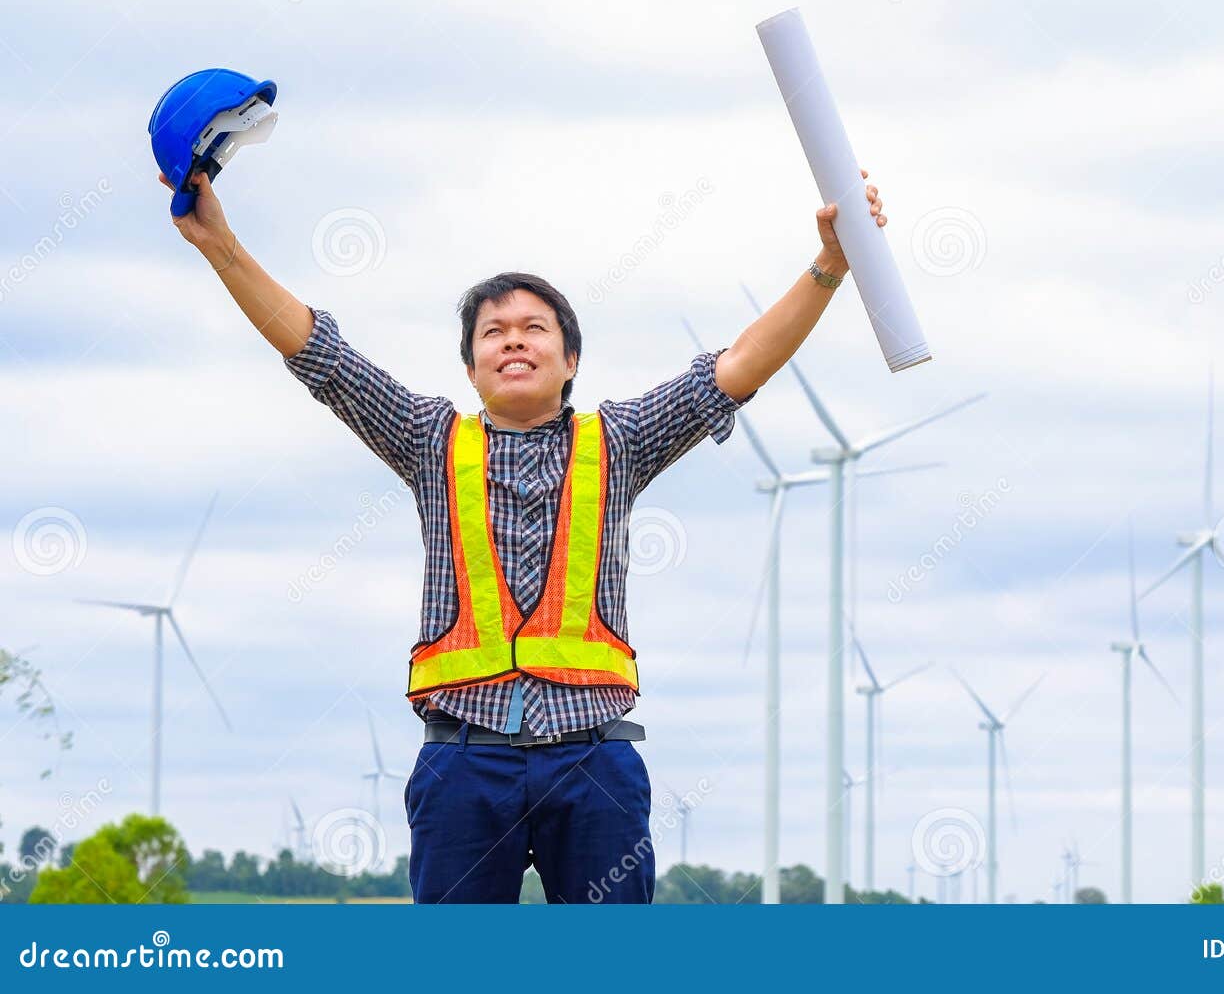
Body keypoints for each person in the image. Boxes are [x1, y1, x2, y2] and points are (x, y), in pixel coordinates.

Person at [157, 164, 888, 903]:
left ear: (570, 360)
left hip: (594, 760)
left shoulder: (621, 441)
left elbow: (734, 370)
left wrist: (830, 263)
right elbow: (321, 356)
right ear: (470, 365)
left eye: (534, 329)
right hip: (463, 759)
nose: (514, 342)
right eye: (493, 333)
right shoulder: (428, 439)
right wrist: (221, 245)